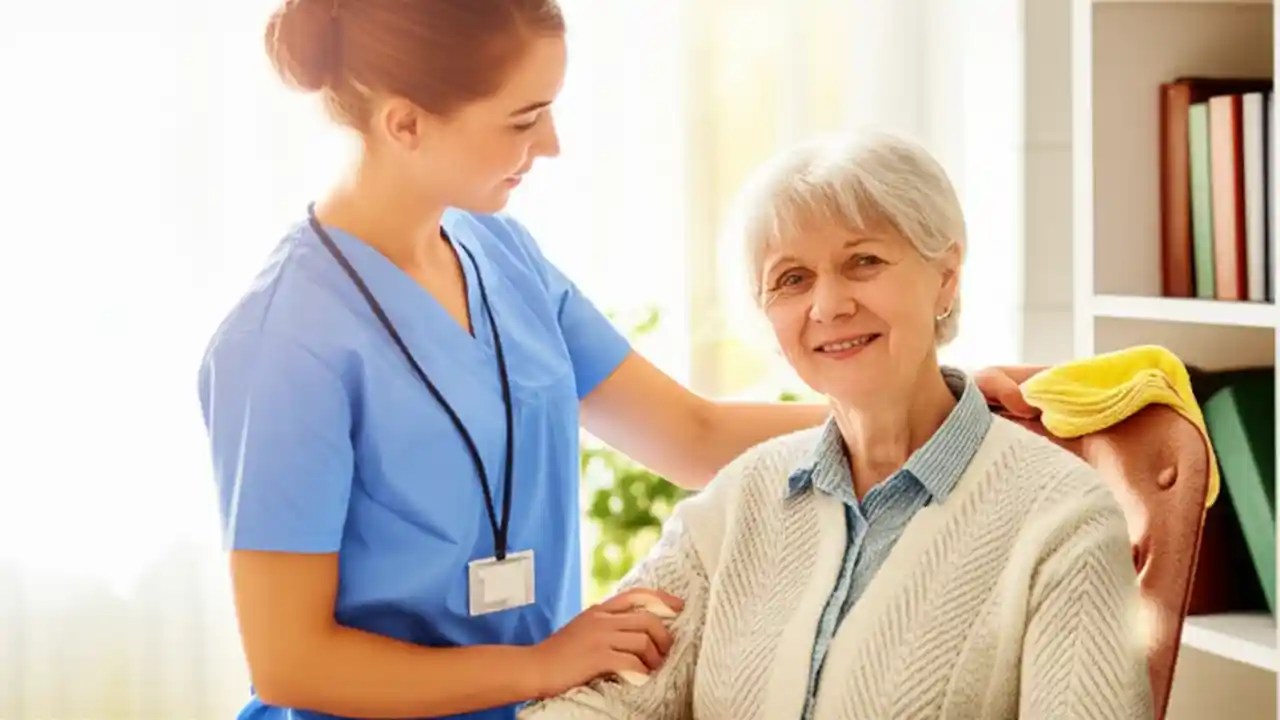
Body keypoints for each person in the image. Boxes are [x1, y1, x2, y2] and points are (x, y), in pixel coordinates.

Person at [196, 1, 1036, 718]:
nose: (552, 143)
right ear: (405, 123)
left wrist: (936, 403)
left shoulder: (500, 254)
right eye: (523, 119)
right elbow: (291, 663)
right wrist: (537, 665)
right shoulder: (281, 343)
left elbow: (693, 436)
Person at [519, 132, 1153, 719]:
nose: (828, 305)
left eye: (864, 262)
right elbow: (599, 702)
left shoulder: (1064, 518)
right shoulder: (735, 505)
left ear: (946, 277)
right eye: (792, 279)